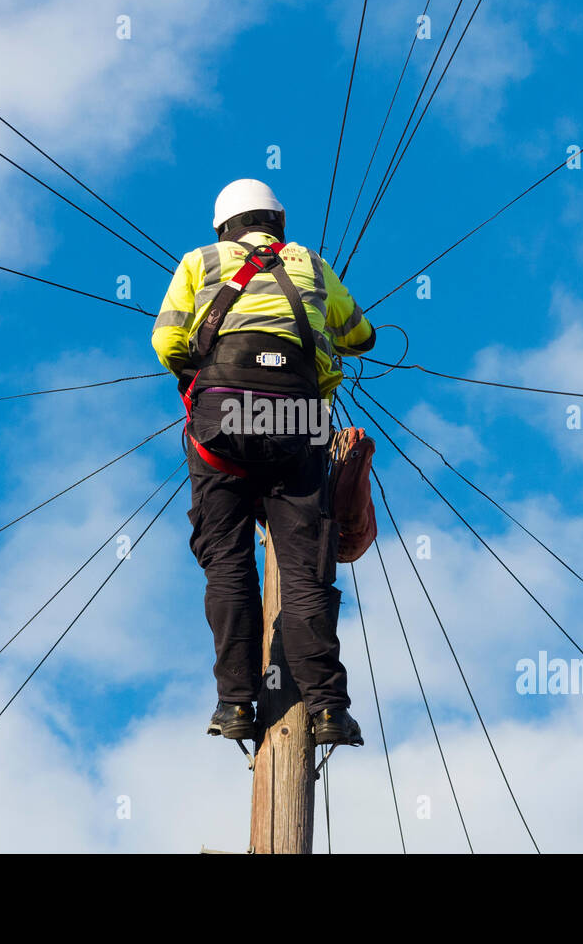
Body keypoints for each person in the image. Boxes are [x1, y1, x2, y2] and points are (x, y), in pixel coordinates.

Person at [152, 178, 375, 746]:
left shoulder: (199, 261)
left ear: (224, 228)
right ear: (278, 223)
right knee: (305, 573)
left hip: (220, 426)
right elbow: (359, 334)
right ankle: (328, 709)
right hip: (298, 425)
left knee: (226, 564)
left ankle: (235, 705)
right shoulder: (313, 266)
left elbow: (168, 342)